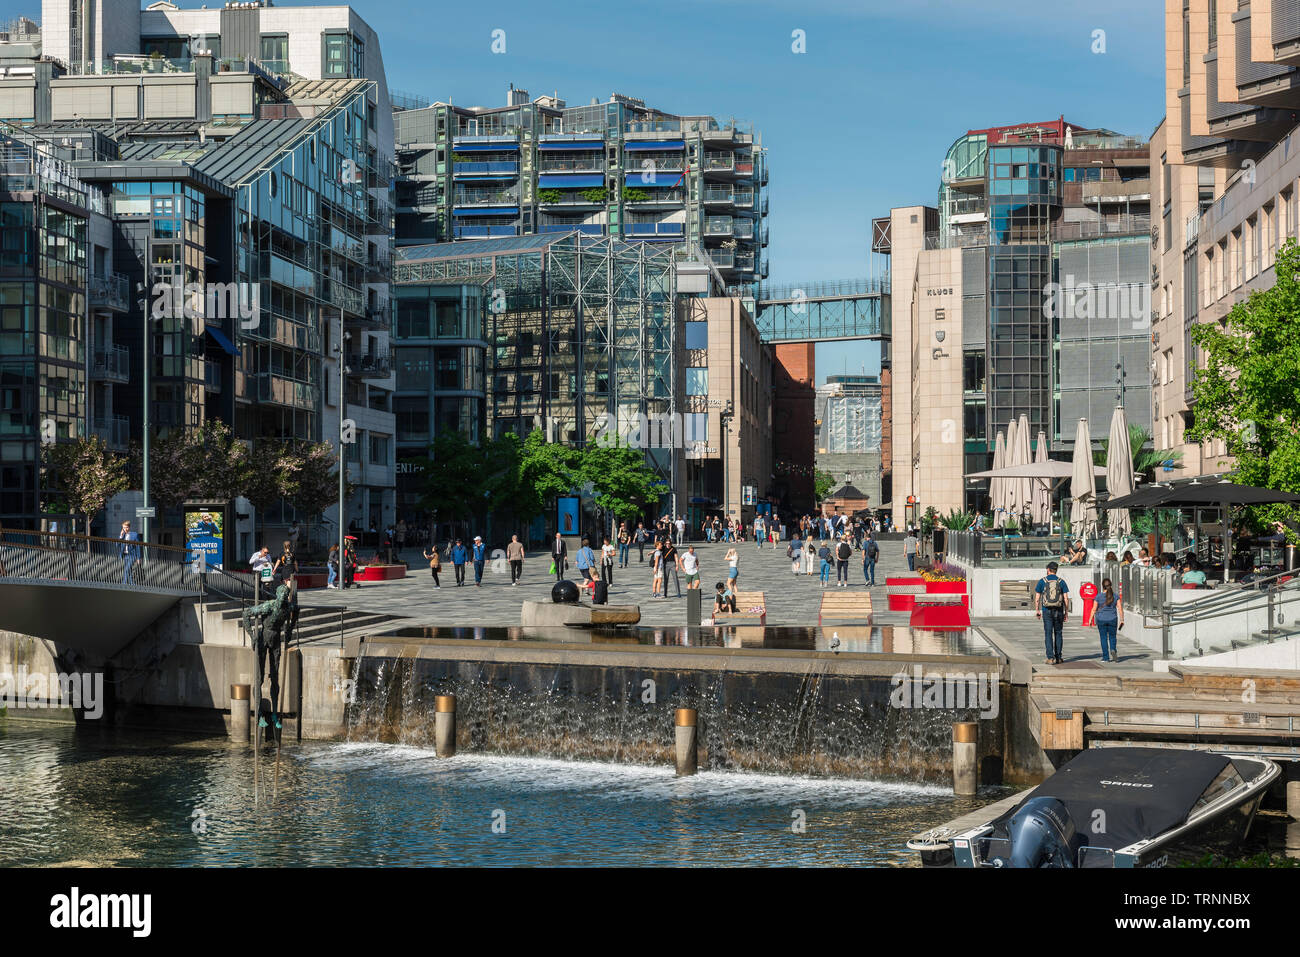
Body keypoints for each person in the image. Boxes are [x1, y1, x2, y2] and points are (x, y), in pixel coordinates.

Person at [1034, 560, 1071, 666]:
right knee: (1058, 633)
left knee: (1048, 634)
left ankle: (1050, 658)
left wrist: (1037, 610)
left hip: (1047, 611)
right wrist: (1066, 613)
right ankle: (1059, 657)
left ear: (1048, 570)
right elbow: (1066, 598)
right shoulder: (1061, 581)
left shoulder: (1042, 581)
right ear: (1056, 570)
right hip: (1059, 610)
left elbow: (1037, 598)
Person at [1095, 577, 1124, 663]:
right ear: (1110, 585)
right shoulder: (1115, 596)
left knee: (1103, 638)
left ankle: (1105, 657)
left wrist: (1090, 619)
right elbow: (1120, 608)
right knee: (1112, 636)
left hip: (1101, 619)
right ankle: (1113, 649)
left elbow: (1094, 609)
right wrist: (1122, 619)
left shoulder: (1098, 596)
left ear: (1102, 586)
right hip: (1112, 619)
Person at [119, 520, 141, 584]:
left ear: (129, 527)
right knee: (129, 571)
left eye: (126, 527)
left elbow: (138, 546)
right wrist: (120, 536)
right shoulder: (123, 536)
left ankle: (124, 584)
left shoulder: (134, 534)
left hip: (132, 555)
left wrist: (138, 558)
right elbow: (117, 545)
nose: (125, 529)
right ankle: (132, 584)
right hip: (125, 556)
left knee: (126, 570)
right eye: (123, 527)